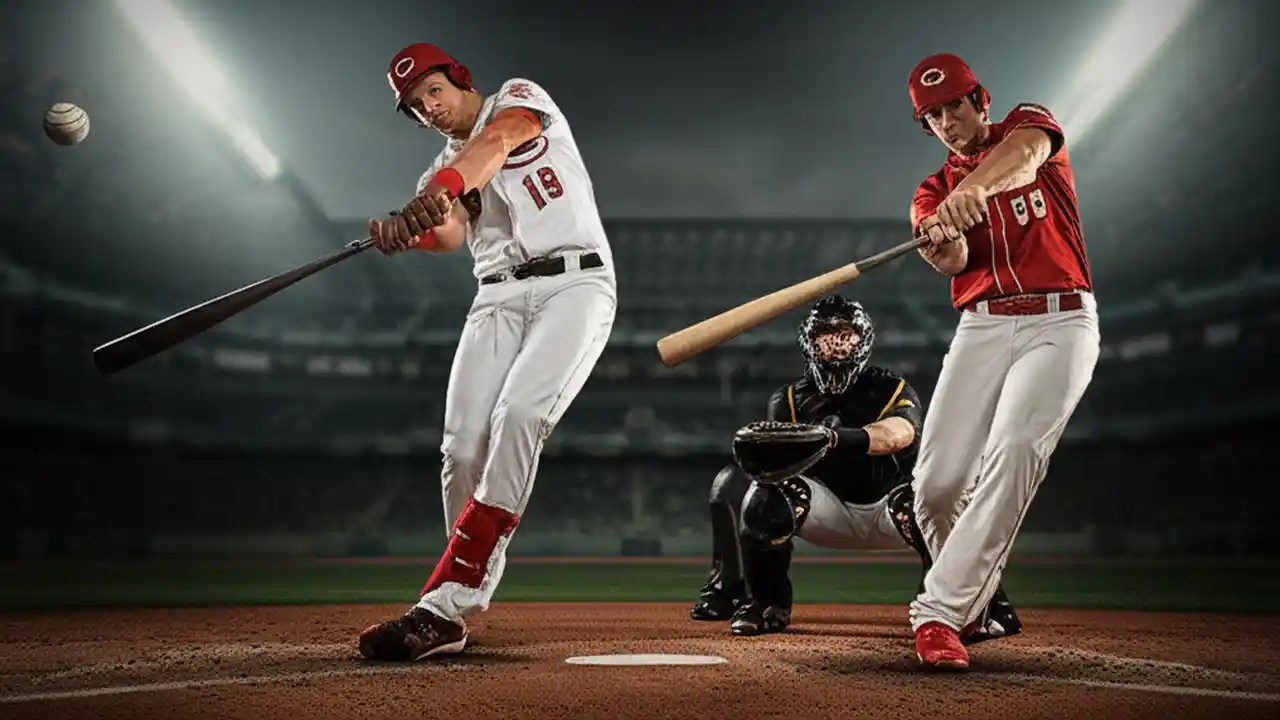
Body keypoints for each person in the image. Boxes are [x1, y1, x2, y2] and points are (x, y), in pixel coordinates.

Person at [356, 43, 617, 661]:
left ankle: (446, 602)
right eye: (417, 106)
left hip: (573, 284)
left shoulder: (518, 97)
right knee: (462, 446)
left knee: (521, 416)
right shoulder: (439, 171)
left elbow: (499, 142)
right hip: (496, 296)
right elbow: (448, 234)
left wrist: (443, 188)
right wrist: (408, 230)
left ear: (460, 78)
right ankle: (456, 598)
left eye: (434, 91)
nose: (430, 110)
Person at [905, 53, 1100, 671]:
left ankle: (937, 614)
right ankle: (978, 604)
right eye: (932, 115)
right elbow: (956, 263)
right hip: (984, 326)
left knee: (1014, 448)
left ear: (980, 100)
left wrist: (974, 189)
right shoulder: (930, 192)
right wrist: (945, 236)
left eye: (955, 105)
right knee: (934, 491)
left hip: (1060, 321)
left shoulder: (1027, 123)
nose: (946, 120)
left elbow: (1024, 157)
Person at [689, 296, 1020, 641]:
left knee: (935, 499)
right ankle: (765, 602)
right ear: (809, 341)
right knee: (759, 495)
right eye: (826, 335)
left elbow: (900, 434)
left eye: (845, 336)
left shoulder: (891, 388)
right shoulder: (787, 400)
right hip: (825, 508)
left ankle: (982, 605)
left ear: (862, 341)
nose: (836, 345)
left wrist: (833, 439)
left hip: (893, 508)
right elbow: (779, 471)